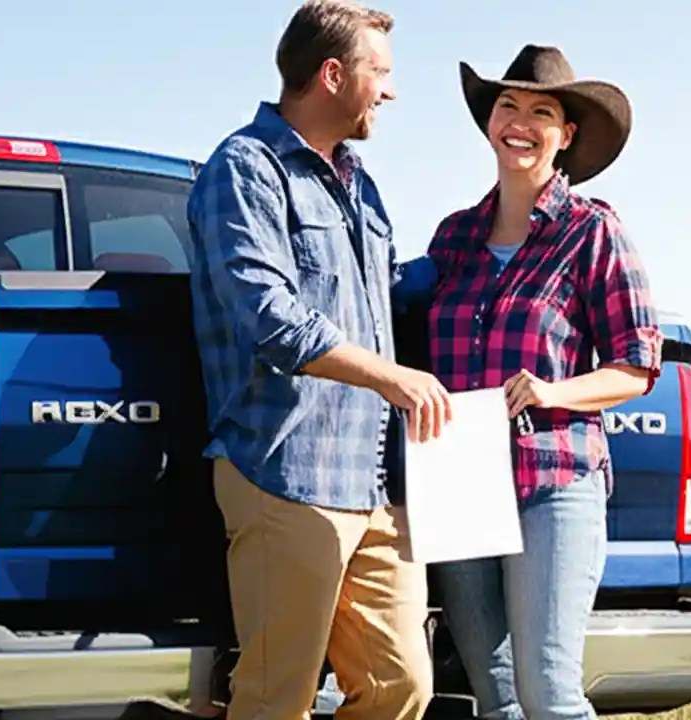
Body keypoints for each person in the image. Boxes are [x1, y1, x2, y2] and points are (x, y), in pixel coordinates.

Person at [184, 2, 453, 719]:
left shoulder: (360, 183)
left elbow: (385, 293)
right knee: (278, 697)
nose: (390, 92)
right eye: (381, 73)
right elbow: (268, 315)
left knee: (403, 689)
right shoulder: (244, 169)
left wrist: (478, 248)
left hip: (375, 480)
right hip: (285, 473)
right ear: (333, 74)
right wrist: (392, 377)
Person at [407, 45, 664, 719]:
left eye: (540, 111)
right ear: (491, 122)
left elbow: (636, 366)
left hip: (552, 479)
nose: (519, 122)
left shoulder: (592, 232)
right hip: (459, 478)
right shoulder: (453, 237)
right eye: (508, 106)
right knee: (494, 699)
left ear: (566, 134)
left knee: (548, 693)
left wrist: (555, 392)